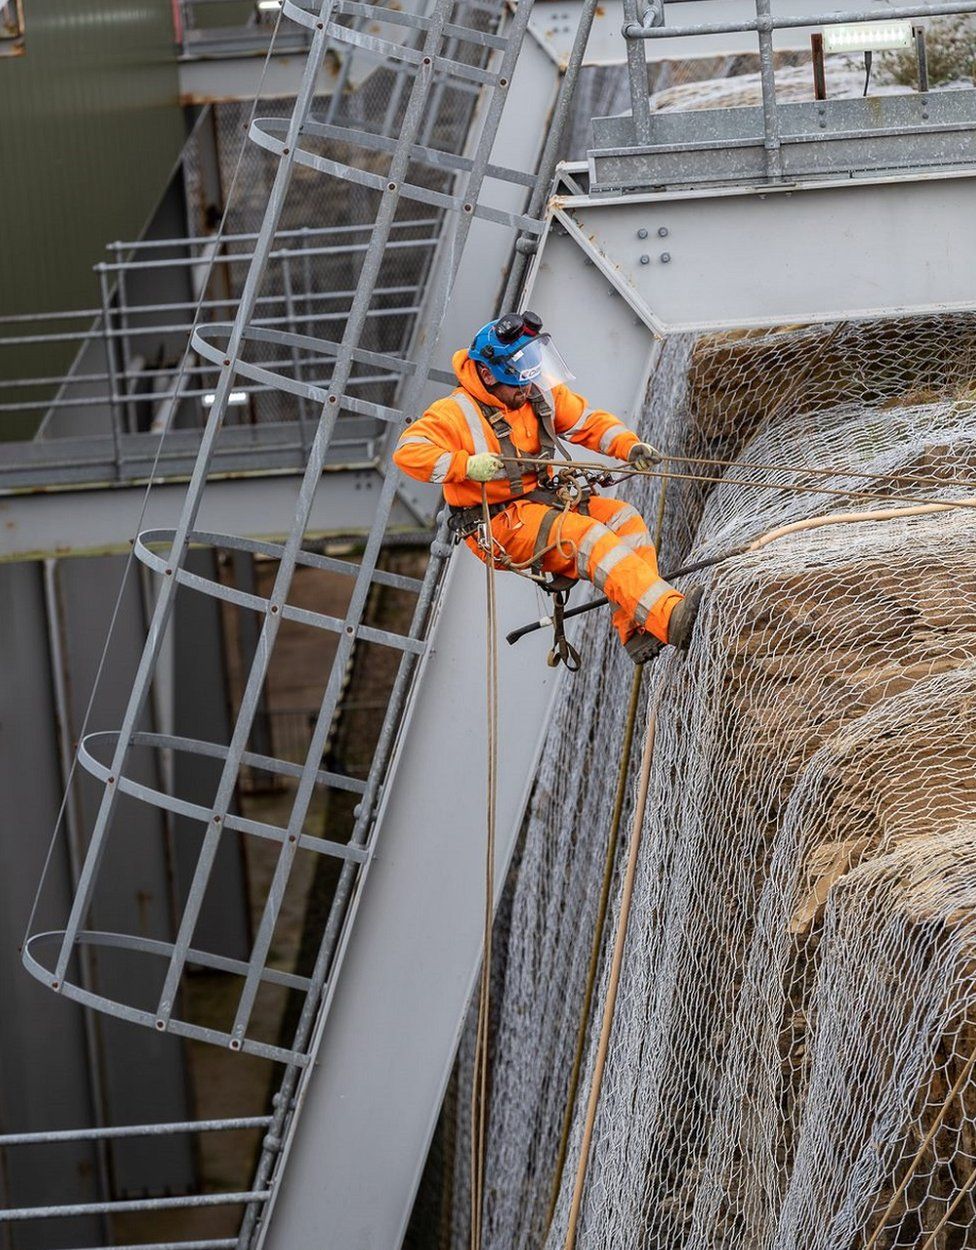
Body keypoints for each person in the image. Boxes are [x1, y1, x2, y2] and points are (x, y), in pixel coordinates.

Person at [393, 311, 702, 664]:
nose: (525, 390)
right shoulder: (454, 413)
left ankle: (639, 627)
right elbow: (407, 452)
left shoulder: (535, 394)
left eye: (528, 380)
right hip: (500, 525)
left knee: (624, 519)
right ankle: (671, 619)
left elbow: (588, 423)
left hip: (543, 503)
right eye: (516, 383)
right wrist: (465, 466)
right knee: (588, 540)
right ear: (485, 374)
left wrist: (629, 447)